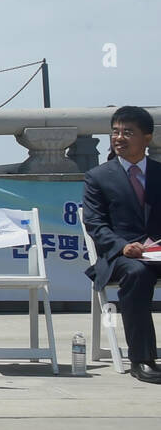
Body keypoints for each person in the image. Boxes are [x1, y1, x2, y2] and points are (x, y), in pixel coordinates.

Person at [82, 106, 161, 384]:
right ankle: (142, 360)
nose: (119, 138)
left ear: (147, 138)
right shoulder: (99, 177)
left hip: (158, 254)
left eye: (128, 132)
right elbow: (95, 224)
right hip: (120, 258)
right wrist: (123, 246)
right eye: (115, 132)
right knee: (137, 274)